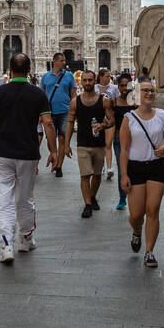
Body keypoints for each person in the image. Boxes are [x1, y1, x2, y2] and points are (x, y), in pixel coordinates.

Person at [0, 53, 61, 264]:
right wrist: (54, 151)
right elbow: (48, 123)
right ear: (29, 70)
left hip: (1, 153)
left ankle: (7, 245)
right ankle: (25, 240)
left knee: (3, 199)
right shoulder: (37, 94)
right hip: (28, 153)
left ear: (9, 68)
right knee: (25, 198)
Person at [119, 77, 164, 267]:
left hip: (157, 167)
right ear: (137, 95)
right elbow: (124, 149)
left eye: (151, 90)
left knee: (153, 210)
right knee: (136, 215)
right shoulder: (129, 118)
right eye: (145, 90)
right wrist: (124, 175)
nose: (149, 93)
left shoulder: (163, 115)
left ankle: (149, 251)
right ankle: (136, 231)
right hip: (136, 168)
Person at [65, 69, 112, 218]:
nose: (87, 83)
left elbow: (112, 120)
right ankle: (87, 204)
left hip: (99, 143)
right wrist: (66, 144)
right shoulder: (75, 102)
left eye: (90, 80)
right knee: (85, 175)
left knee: (97, 175)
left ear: (95, 81)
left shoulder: (104, 100)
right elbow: (70, 122)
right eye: (84, 80)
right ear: (80, 82)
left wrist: (103, 125)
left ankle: (92, 197)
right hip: (83, 144)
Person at [40, 52, 75, 174]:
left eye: (64, 60)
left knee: (62, 138)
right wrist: (41, 112)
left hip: (65, 112)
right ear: (54, 61)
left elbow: (73, 94)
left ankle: (59, 166)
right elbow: (42, 95)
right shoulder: (46, 77)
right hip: (49, 112)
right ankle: (53, 154)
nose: (64, 63)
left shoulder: (69, 76)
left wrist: (73, 111)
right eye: (61, 60)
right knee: (51, 139)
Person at [109, 73, 134, 211]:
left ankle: (134, 194)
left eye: (127, 85)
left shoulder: (136, 102)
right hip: (119, 140)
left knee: (134, 167)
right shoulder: (114, 102)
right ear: (118, 86)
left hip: (135, 140)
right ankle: (122, 197)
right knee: (122, 169)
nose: (125, 88)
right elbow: (110, 119)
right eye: (122, 85)